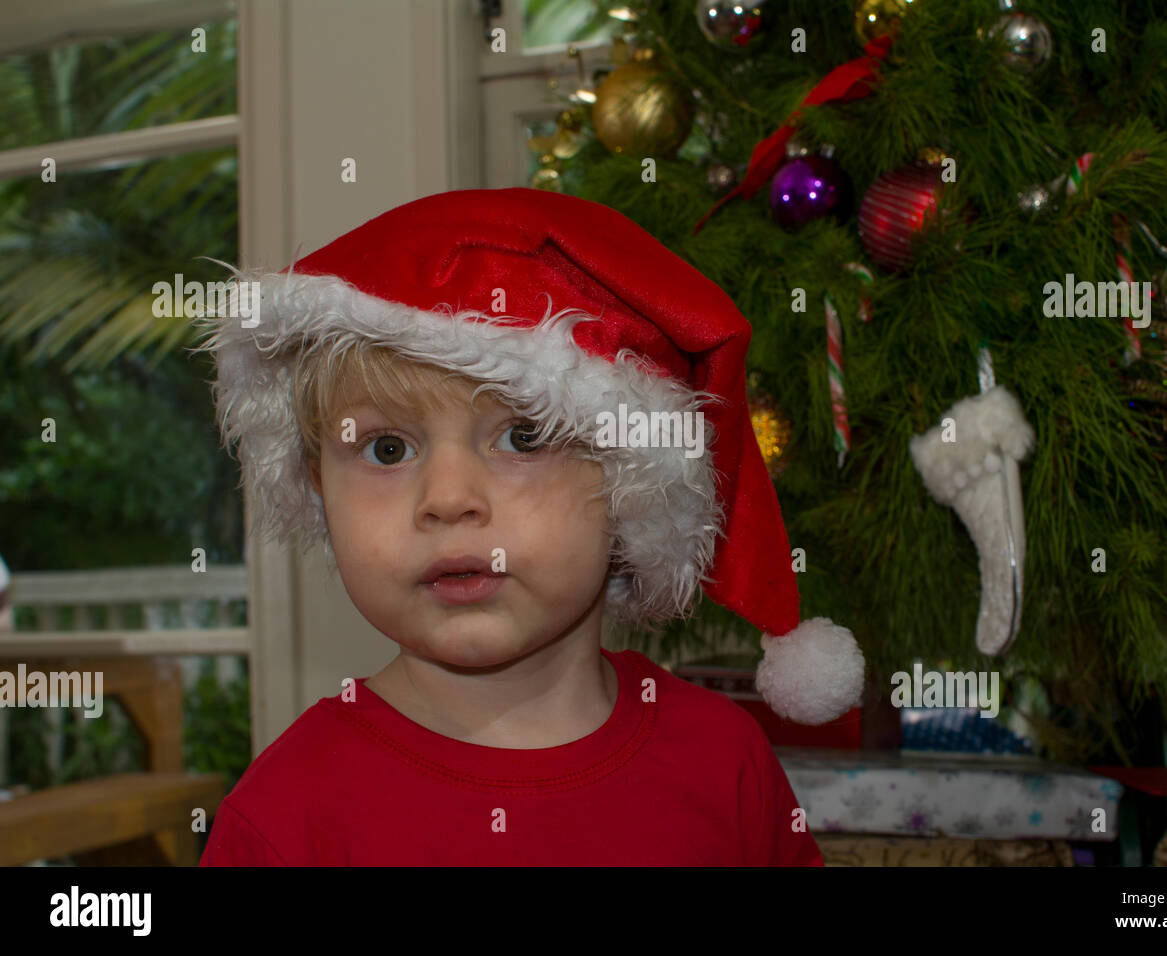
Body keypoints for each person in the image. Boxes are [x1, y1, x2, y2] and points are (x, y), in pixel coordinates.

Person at [193, 188, 864, 866]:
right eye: (387, 449)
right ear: (317, 488)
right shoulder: (284, 816)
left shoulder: (726, 763)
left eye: (523, 436)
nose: (448, 499)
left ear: (631, 484)